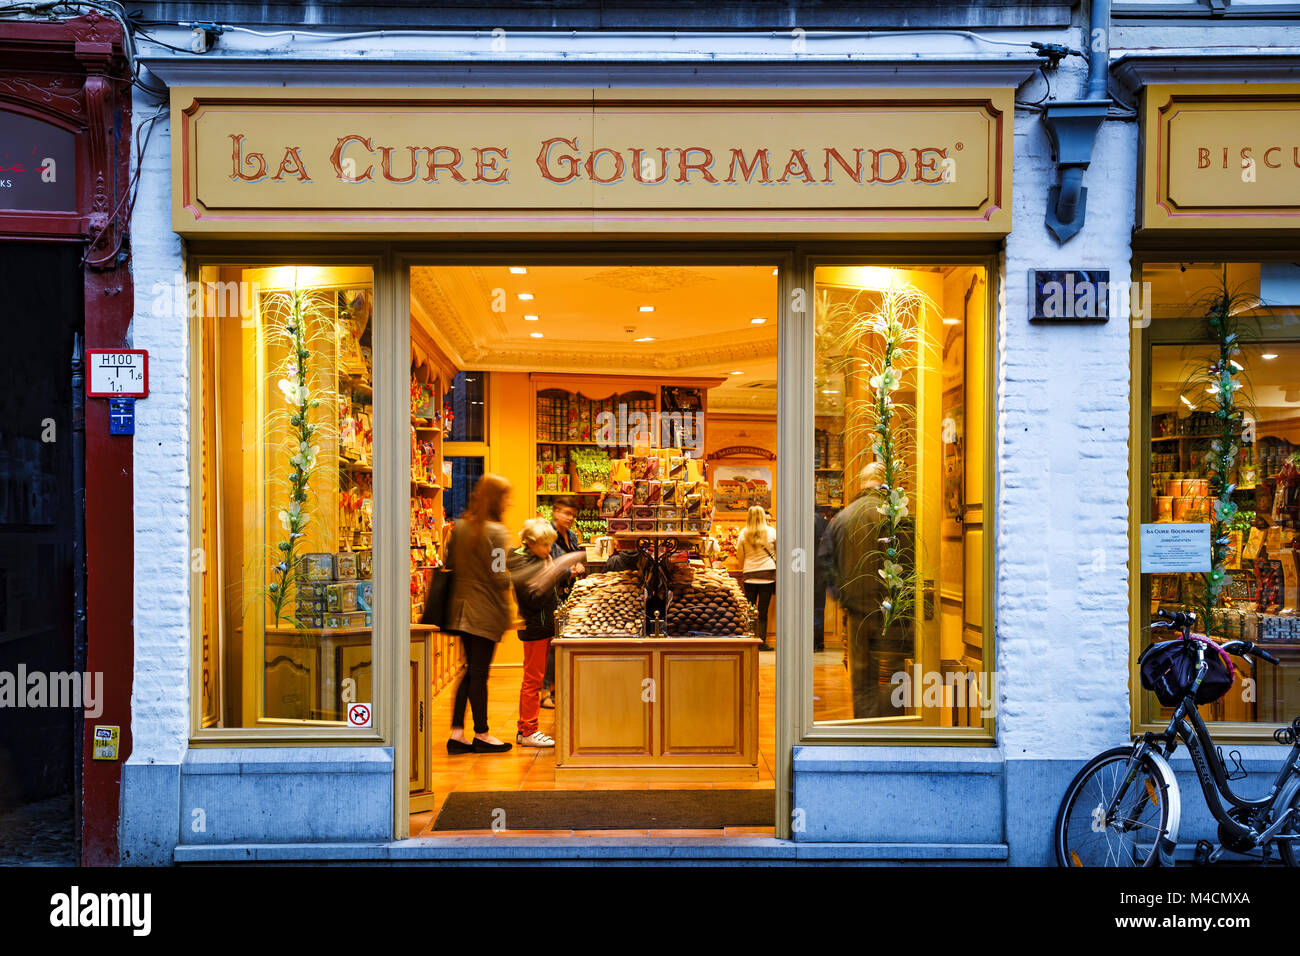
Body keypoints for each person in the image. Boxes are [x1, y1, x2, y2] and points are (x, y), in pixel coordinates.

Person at [819, 462, 914, 719]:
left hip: (858, 612)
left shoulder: (843, 517)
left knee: (862, 675)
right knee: (896, 670)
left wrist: (842, 596)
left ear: (862, 484)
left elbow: (826, 560)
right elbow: (911, 561)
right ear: (887, 483)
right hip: (893, 613)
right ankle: (891, 725)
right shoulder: (897, 517)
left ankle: (865, 725)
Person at [445, 474, 516, 754]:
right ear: (496, 499)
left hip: (459, 610)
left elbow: (450, 564)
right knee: (479, 674)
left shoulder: (459, 527)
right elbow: (499, 575)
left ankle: (456, 732)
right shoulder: (497, 532)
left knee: (469, 672)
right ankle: (482, 733)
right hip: (485, 612)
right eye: (506, 497)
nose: (508, 503)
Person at [508, 518, 584, 747]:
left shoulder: (534, 559)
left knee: (532, 679)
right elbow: (533, 597)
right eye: (545, 546)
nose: (549, 550)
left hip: (541, 625)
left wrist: (560, 572)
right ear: (530, 543)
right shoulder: (523, 564)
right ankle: (530, 729)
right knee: (533, 680)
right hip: (536, 627)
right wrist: (556, 573)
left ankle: (525, 728)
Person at [540, 495, 583, 708]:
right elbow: (547, 567)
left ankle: (557, 689)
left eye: (572, 515)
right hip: (553, 595)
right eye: (566, 513)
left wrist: (578, 568)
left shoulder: (572, 535)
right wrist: (569, 571)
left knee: (561, 644)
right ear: (555, 512)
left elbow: (574, 559)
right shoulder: (547, 534)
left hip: (568, 595)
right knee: (552, 645)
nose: (569, 518)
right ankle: (545, 692)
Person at [735, 505, 777, 651]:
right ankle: (762, 641)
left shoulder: (743, 533)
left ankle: (750, 638)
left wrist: (745, 565)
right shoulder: (772, 532)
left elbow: (739, 555)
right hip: (768, 574)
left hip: (749, 574)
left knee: (750, 608)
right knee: (763, 610)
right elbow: (779, 551)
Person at [812, 508, 831, 653]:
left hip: (802, 569)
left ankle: (803, 641)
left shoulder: (799, 518)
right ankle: (818, 642)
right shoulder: (824, 523)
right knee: (818, 608)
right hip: (820, 570)